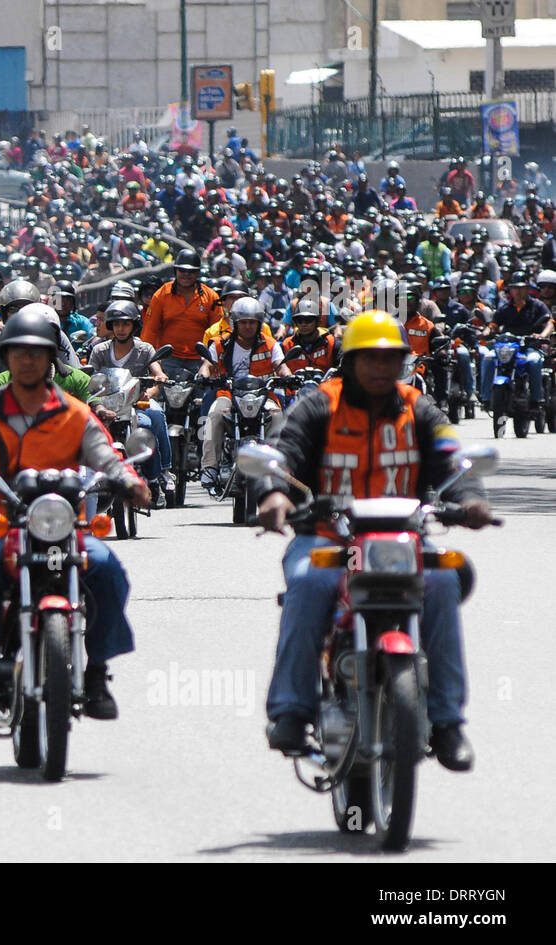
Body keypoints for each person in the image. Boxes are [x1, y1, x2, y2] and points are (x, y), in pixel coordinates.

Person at [256, 310, 493, 771]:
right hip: (328, 537)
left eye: (393, 359)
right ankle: (291, 709)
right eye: (372, 359)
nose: (383, 369)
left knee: (443, 584)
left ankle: (447, 721)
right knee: (307, 584)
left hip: (403, 538)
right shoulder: (319, 405)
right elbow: (284, 453)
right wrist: (274, 496)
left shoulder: (419, 407)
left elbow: (451, 459)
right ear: (351, 361)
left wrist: (470, 500)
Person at [0, 306, 151, 719]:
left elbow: (106, 455)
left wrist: (128, 480)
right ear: (7, 356)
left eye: (37, 352)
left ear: (52, 356)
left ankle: (97, 674)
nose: (28, 359)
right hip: (2, 523)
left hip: (62, 522)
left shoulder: (74, 412)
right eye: (19, 352)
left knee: (107, 568)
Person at [87, 300, 176, 502]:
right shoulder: (99, 351)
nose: (120, 328)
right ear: (110, 326)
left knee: (153, 416)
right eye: (117, 324)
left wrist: (154, 387)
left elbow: (157, 374)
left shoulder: (145, 349)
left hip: (137, 402)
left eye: (125, 324)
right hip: (106, 404)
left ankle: (161, 472)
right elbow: (89, 378)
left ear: (134, 325)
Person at [198, 298, 287, 489]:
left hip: (263, 397)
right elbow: (207, 365)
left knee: (277, 416)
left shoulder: (271, 344)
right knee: (214, 414)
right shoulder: (220, 344)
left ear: (259, 324)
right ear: (235, 323)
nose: (248, 326)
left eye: (252, 322)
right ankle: (209, 468)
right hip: (229, 395)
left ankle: (276, 464)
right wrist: (203, 375)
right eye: (243, 322)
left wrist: (288, 376)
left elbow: (281, 366)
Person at [142, 249, 225, 377]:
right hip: (168, 359)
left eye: (191, 271)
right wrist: (150, 362)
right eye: (182, 271)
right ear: (176, 271)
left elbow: (218, 333)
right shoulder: (161, 294)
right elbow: (150, 331)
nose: (186, 275)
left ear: (198, 273)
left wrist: (210, 362)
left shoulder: (211, 297)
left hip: (201, 360)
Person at [479, 272, 552, 407]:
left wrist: (542, 335)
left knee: (534, 361)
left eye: (521, 287)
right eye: (515, 288)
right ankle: (486, 397)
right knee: (488, 357)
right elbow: (493, 325)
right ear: (510, 289)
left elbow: (549, 323)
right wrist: (486, 332)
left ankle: (536, 399)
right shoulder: (504, 308)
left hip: (529, 346)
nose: (518, 291)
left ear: (527, 288)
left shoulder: (538, 306)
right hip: (507, 347)